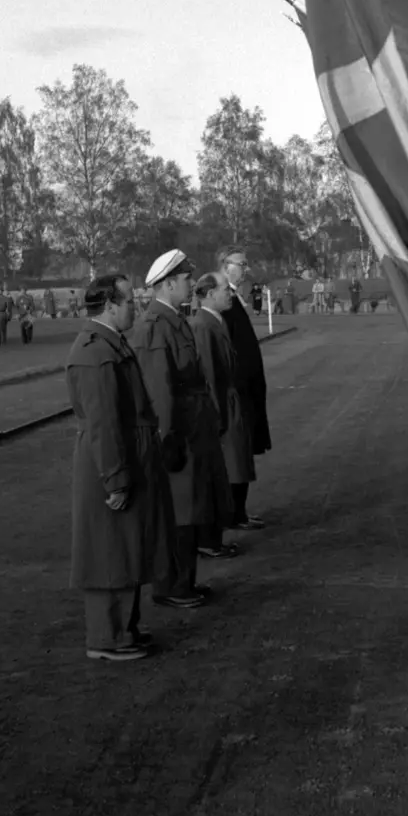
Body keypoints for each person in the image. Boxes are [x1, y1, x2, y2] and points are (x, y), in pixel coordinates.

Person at [66, 273, 176, 662]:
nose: (137, 305)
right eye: (130, 300)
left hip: (129, 456)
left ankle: (123, 628)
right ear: (110, 305)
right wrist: (115, 479)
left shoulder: (112, 345)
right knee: (110, 555)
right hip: (111, 464)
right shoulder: (95, 352)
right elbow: (103, 424)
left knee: (128, 550)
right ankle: (106, 637)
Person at [130, 250, 233, 605]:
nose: (193, 283)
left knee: (192, 510)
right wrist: (168, 440)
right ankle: (171, 586)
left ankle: (183, 582)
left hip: (193, 431)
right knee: (178, 515)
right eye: (187, 278)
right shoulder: (155, 327)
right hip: (179, 438)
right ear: (168, 283)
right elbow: (160, 393)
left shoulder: (174, 321)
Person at [191, 273, 257, 535]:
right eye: (224, 290)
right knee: (232, 460)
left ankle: (237, 513)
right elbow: (208, 373)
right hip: (223, 404)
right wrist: (217, 416)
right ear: (209, 294)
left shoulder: (215, 322)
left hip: (232, 399)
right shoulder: (203, 325)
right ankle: (229, 516)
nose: (230, 294)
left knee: (240, 458)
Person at [217, 246, 271, 533]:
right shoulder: (224, 303)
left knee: (245, 452)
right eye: (241, 264)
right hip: (237, 391)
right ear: (226, 267)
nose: (245, 268)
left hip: (247, 389)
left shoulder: (235, 299)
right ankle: (233, 512)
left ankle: (239, 511)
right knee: (237, 454)